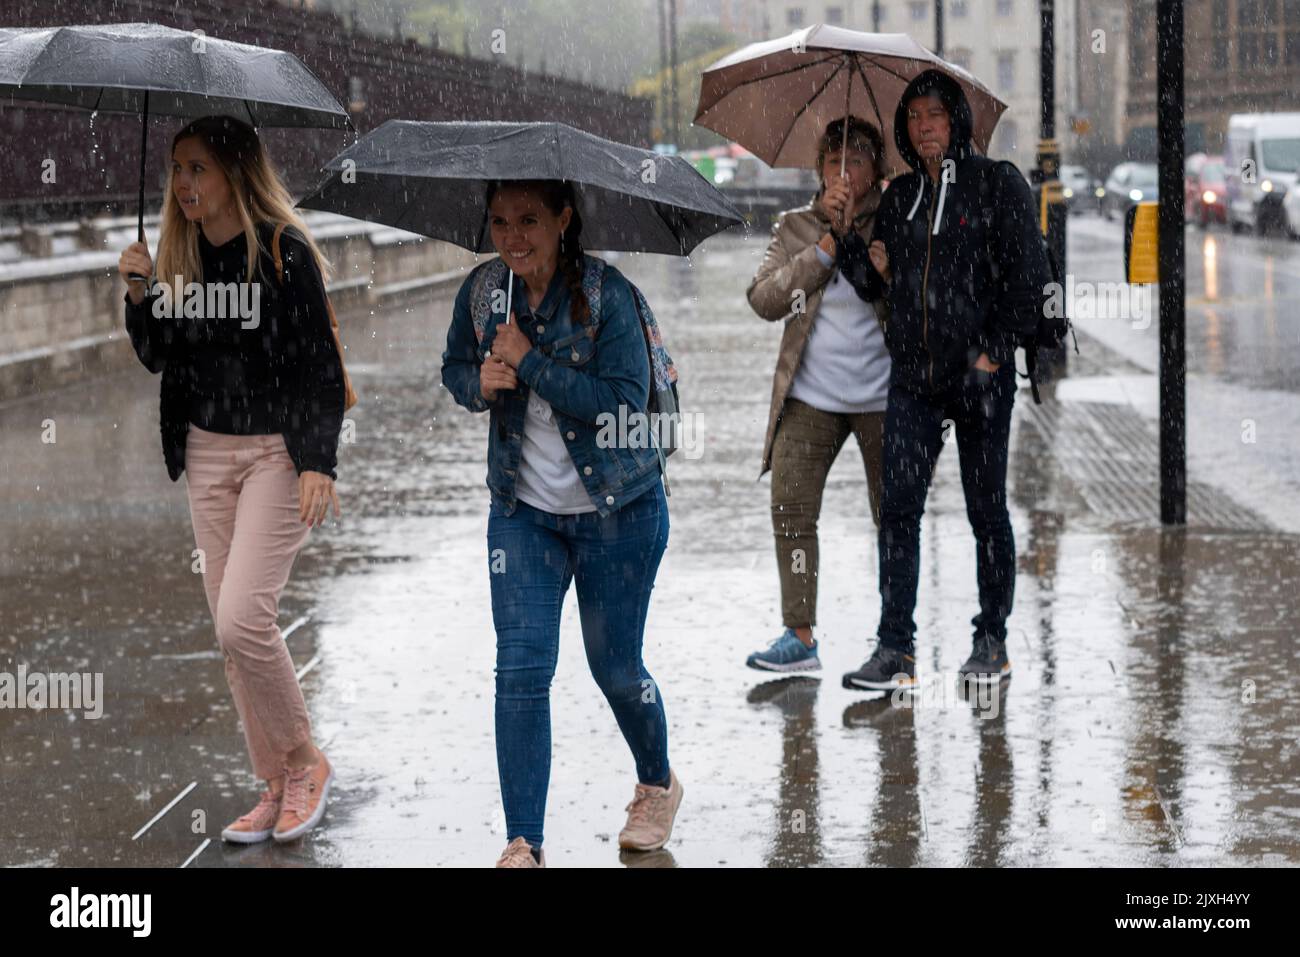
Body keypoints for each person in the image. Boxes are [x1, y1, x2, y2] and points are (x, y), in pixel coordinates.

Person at [440, 179, 682, 868]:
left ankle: (657, 782)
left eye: (529, 220)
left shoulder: (608, 296)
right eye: (499, 221)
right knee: (520, 666)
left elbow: (622, 405)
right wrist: (479, 381)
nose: (512, 237)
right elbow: (454, 366)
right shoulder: (486, 293)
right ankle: (524, 840)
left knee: (616, 668)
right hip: (525, 513)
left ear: (564, 219)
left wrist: (529, 361)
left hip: (621, 510)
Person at [118, 115, 344, 842]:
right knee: (233, 634)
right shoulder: (180, 262)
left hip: (276, 453)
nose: (184, 184)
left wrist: (318, 462)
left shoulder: (283, 253)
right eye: (177, 169)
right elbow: (160, 356)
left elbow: (319, 366)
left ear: (235, 174)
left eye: (199, 169)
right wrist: (138, 294)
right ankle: (275, 781)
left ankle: (306, 759)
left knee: (241, 616)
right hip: (207, 455)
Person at [835, 69, 1051, 691]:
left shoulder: (995, 184)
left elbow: (1030, 281)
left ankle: (992, 639)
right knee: (897, 510)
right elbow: (876, 284)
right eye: (913, 118)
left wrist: (992, 354)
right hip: (914, 381)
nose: (923, 127)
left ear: (956, 121)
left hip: (979, 379)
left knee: (987, 511)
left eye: (934, 115)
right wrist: (853, 239)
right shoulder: (900, 197)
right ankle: (895, 649)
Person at [744, 117, 891, 673]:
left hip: (884, 395)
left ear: (876, 170)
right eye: (834, 163)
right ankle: (799, 634)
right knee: (792, 507)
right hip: (811, 396)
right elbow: (763, 299)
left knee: (894, 517)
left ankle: (894, 637)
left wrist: (886, 269)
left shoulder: (899, 220)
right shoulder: (795, 227)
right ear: (819, 171)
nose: (844, 173)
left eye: (856, 161)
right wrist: (825, 250)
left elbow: (925, 302)